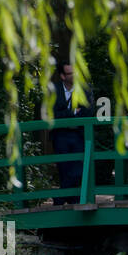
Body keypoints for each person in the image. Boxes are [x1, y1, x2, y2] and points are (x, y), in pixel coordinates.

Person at [48, 63, 92, 205]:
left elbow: (88, 112)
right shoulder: (54, 90)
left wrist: (66, 115)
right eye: (70, 73)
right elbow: (52, 114)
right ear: (62, 76)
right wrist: (72, 112)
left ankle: (61, 197)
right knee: (64, 167)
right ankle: (72, 198)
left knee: (78, 167)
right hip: (60, 135)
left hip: (78, 134)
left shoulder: (84, 89)